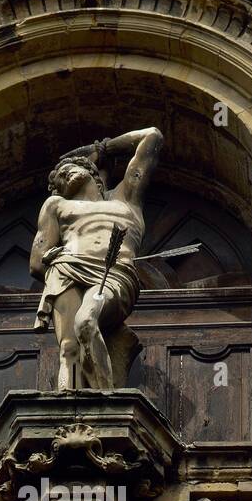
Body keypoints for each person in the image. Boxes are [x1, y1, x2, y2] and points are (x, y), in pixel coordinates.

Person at [30, 127, 163, 391]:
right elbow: (36, 261)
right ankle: (68, 403)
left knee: (87, 322)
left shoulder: (127, 198)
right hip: (66, 269)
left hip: (112, 274)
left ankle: (105, 399)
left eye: (69, 167)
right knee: (68, 349)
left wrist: (104, 149)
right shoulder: (57, 205)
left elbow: (153, 137)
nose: (62, 174)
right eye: (58, 178)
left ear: (92, 171)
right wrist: (50, 257)